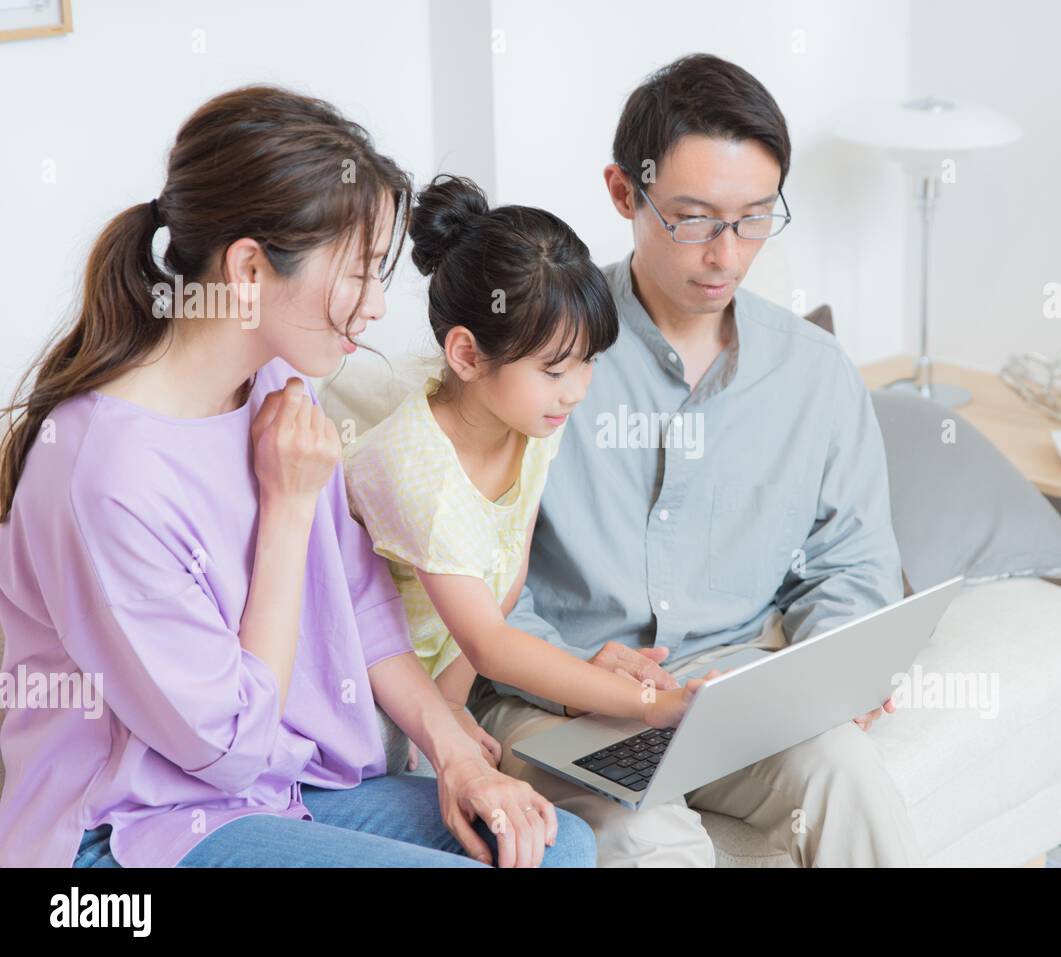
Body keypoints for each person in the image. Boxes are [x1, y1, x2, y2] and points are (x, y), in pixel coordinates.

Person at [0, 86, 595, 868]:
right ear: (249, 268)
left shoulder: (281, 383)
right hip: (127, 838)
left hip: (278, 791)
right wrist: (285, 508)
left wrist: (454, 751)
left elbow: (357, 598)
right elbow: (228, 749)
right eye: (357, 273)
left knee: (558, 844)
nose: (378, 304)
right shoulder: (101, 473)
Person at [465, 54, 923, 867]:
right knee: (644, 834)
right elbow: (471, 576)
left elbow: (848, 560)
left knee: (847, 773)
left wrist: (839, 668)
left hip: (731, 692)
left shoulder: (814, 372)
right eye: (694, 218)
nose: (727, 255)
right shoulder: (534, 361)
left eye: (754, 217)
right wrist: (579, 670)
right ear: (622, 193)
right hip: (561, 699)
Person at [343, 175, 712, 779]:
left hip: (432, 688)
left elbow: (504, 583)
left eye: (588, 361)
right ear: (466, 355)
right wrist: (655, 706)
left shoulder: (533, 417)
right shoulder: (419, 474)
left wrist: (453, 702)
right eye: (555, 369)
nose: (577, 390)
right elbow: (489, 640)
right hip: (355, 692)